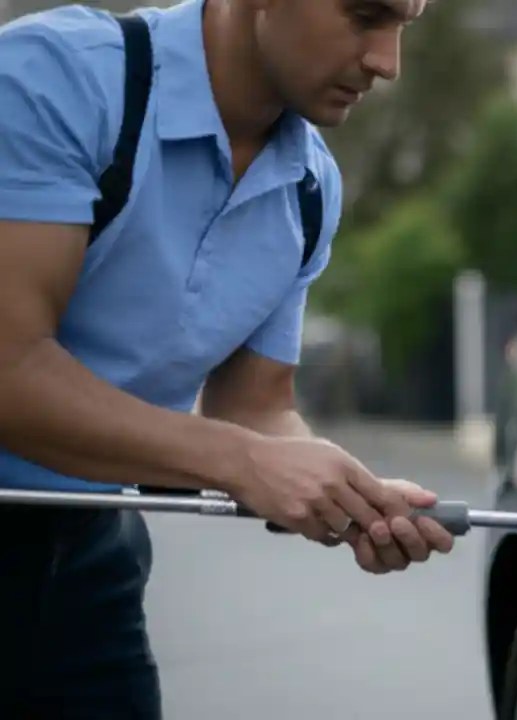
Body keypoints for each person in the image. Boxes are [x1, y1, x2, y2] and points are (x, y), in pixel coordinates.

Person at [0, 0, 450, 716]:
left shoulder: (310, 189)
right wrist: (241, 461)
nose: (387, 63)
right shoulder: (54, 80)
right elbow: (9, 372)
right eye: (366, 16)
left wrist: (349, 496)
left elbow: (256, 409)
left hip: (88, 558)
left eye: (403, 25)